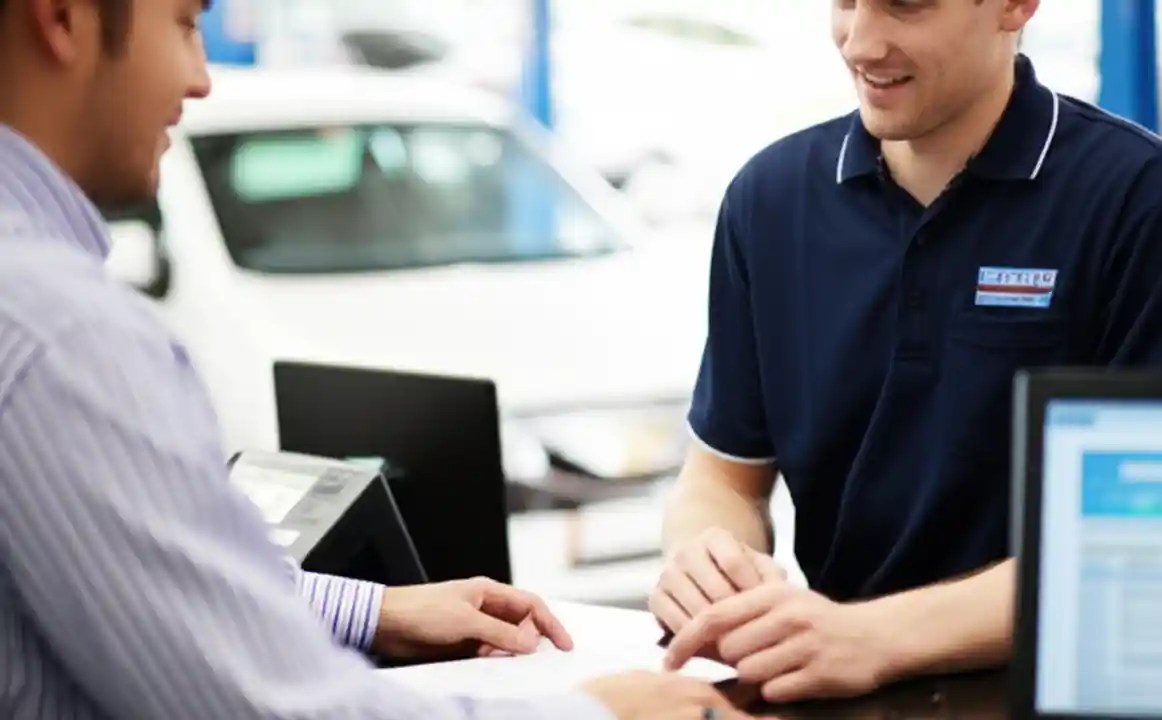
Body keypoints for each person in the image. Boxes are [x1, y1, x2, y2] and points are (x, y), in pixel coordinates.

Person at [0, 1, 759, 718]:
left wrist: (374, 611)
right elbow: (274, 707)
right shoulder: (64, 335)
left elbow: (155, 586)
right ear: (63, 18)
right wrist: (597, 712)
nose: (201, 77)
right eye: (183, 24)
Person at [654, 0, 1162, 704]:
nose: (861, 42)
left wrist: (875, 637)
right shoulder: (769, 200)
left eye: (905, 5)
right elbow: (723, 478)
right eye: (845, 1)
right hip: (831, 684)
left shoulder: (1140, 199)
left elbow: (1149, 534)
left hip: (1057, 694)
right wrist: (709, 560)